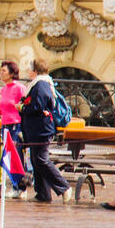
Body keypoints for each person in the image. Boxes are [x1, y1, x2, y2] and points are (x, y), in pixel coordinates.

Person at [20, 58, 69, 203]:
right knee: (36, 161)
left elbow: (38, 106)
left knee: (41, 160)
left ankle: (64, 187)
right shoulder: (39, 84)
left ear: (34, 71)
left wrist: (22, 108)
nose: (28, 72)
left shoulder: (41, 84)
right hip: (36, 129)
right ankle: (43, 194)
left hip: (42, 129)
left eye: (30, 69)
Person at [0, 59, 26, 189]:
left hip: (16, 125)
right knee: (8, 156)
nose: (1, 73)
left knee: (16, 156)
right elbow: (5, 108)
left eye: (3, 71)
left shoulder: (19, 88)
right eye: (0, 71)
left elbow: (24, 105)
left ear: (11, 73)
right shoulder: (3, 90)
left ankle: (21, 187)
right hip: (5, 125)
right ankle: (15, 186)